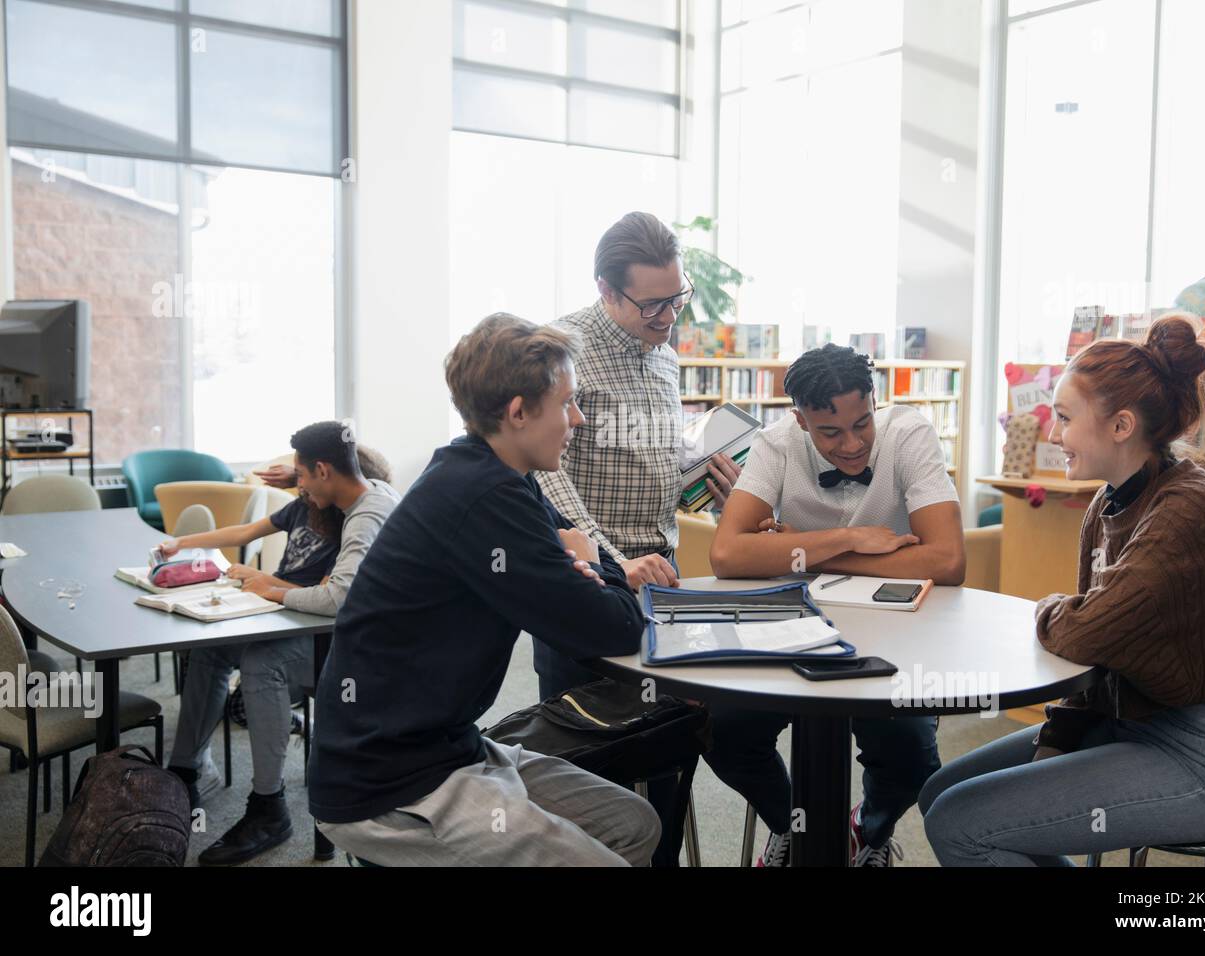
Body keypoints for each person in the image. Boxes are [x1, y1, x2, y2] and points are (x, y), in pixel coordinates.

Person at [919, 313, 1205, 866]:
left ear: (1120, 426)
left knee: (960, 823)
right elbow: (1096, 644)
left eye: (1064, 418)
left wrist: (1052, 609)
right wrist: (1061, 733)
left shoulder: (1193, 508)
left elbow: (1083, 631)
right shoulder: (1108, 503)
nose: (1051, 433)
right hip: (1128, 720)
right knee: (937, 795)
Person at [308, 313, 660, 866]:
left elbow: (586, 591)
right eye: (567, 402)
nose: (579, 418)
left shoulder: (493, 474)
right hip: (389, 782)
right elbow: (611, 625)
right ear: (518, 412)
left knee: (633, 824)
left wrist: (587, 571)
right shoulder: (482, 494)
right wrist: (594, 565)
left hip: (448, 747)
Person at [707, 343, 965, 866]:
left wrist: (799, 549)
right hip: (793, 629)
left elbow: (948, 561)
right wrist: (856, 543)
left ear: (875, 400)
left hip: (895, 634)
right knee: (724, 733)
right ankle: (795, 828)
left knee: (913, 758)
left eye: (862, 423)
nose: (852, 444)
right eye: (830, 432)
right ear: (801, 420)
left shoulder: (908, 433)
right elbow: (728, 554)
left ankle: (867, 833)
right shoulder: (775, 443)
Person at [164, 421, 400, 865]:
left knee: (262, 662)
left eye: (305, 476)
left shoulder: (367, 516)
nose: (299, 487)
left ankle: (269, 807)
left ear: (324, 471)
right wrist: (300, 479)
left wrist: (269, 587)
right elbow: (354, 476)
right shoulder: (360, 495)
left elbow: (336, 598)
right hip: (326, 632)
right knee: (212, 650)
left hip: (359, 653)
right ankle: (185, 770)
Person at [533, 211, 743, 699]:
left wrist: (702, 480)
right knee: (587, 741)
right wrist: (610, 562)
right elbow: (545, 476)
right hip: (588, 577)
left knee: (673, 731)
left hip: (663, 571)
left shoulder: (666, 354)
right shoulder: (559, 350)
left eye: (677, 299)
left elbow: (650, 456)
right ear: (607, 290)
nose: (669, 318)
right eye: (653, 305)